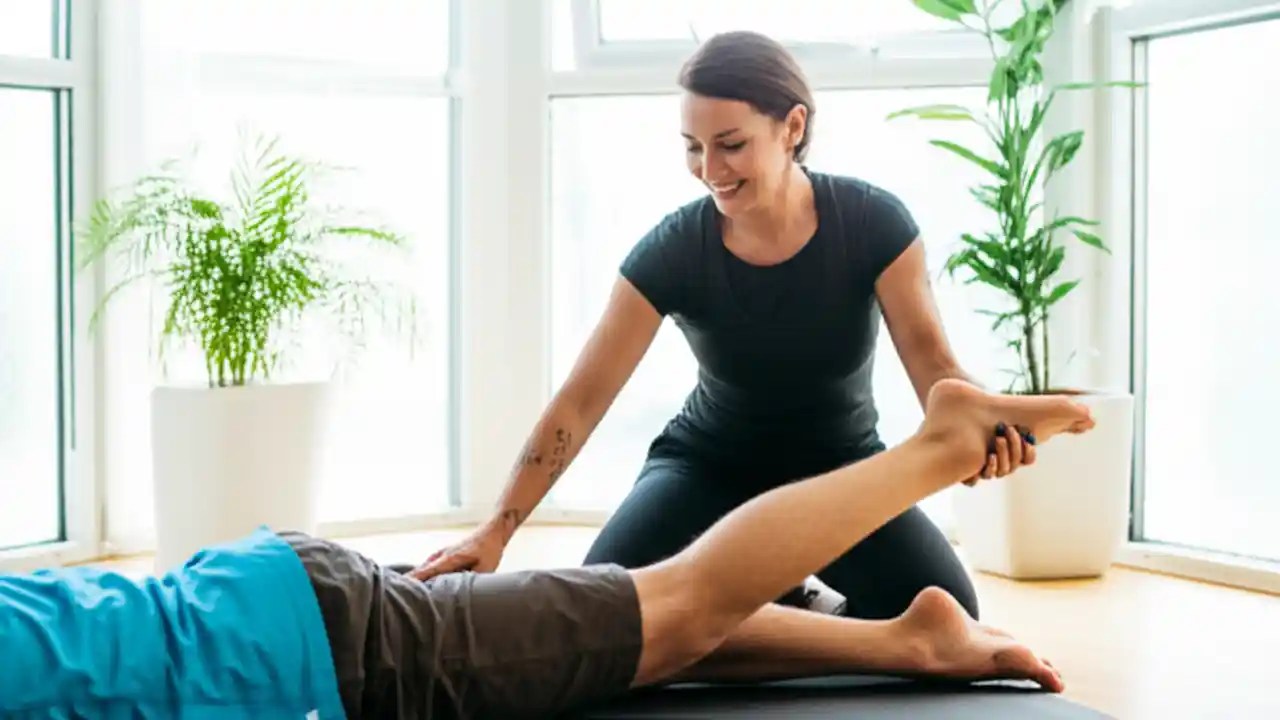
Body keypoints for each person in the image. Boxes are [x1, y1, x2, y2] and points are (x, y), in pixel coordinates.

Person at [0, 380, 1094, 719]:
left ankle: (932, 448)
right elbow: (588, 386)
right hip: (259, 606)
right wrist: (502, 532)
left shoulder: (853, 223)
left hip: (312, 654)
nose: (710, 166)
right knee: (633, 629)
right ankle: (910, 642)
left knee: (674, 604)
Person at [409, 31, 1033, 620]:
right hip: (707, 469)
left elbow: (936, 370)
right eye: (692, 145)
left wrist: (981, 433)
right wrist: (499, 529)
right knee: (606, 613)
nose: (710, 168)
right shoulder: (675, 249)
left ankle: (775, 609)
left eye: (730, 144)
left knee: (946, 608)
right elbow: (581, 400)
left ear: (793, 127)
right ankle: (776, 603)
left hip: (842, 475)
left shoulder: (874, 226)